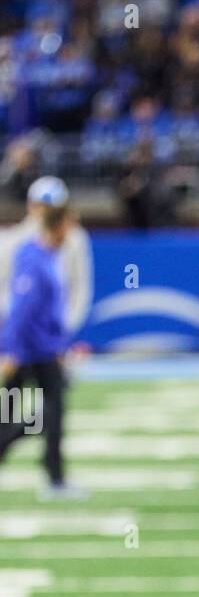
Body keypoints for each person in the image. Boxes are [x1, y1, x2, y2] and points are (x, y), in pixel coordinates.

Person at [0, 200, 89, 499]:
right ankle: (54, 477)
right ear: (60, 224)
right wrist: (10, 350)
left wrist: (61, 345)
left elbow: (49, 311)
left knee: (48, 412)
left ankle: (55, 477)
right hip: (28, 352)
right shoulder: (33, 257)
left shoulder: (49, 255)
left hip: (45, 350)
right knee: (33, 415)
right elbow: (21, 310)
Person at [0, 176, 94, 337]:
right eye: (42, 207)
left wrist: (63, 326)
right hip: (20, 332)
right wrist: (18, 325)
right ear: (31, 206)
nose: (47, 215)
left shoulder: (76, 240)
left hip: (54, 333)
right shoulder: (12, 241)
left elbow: (80, 286)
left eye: (54, 210)